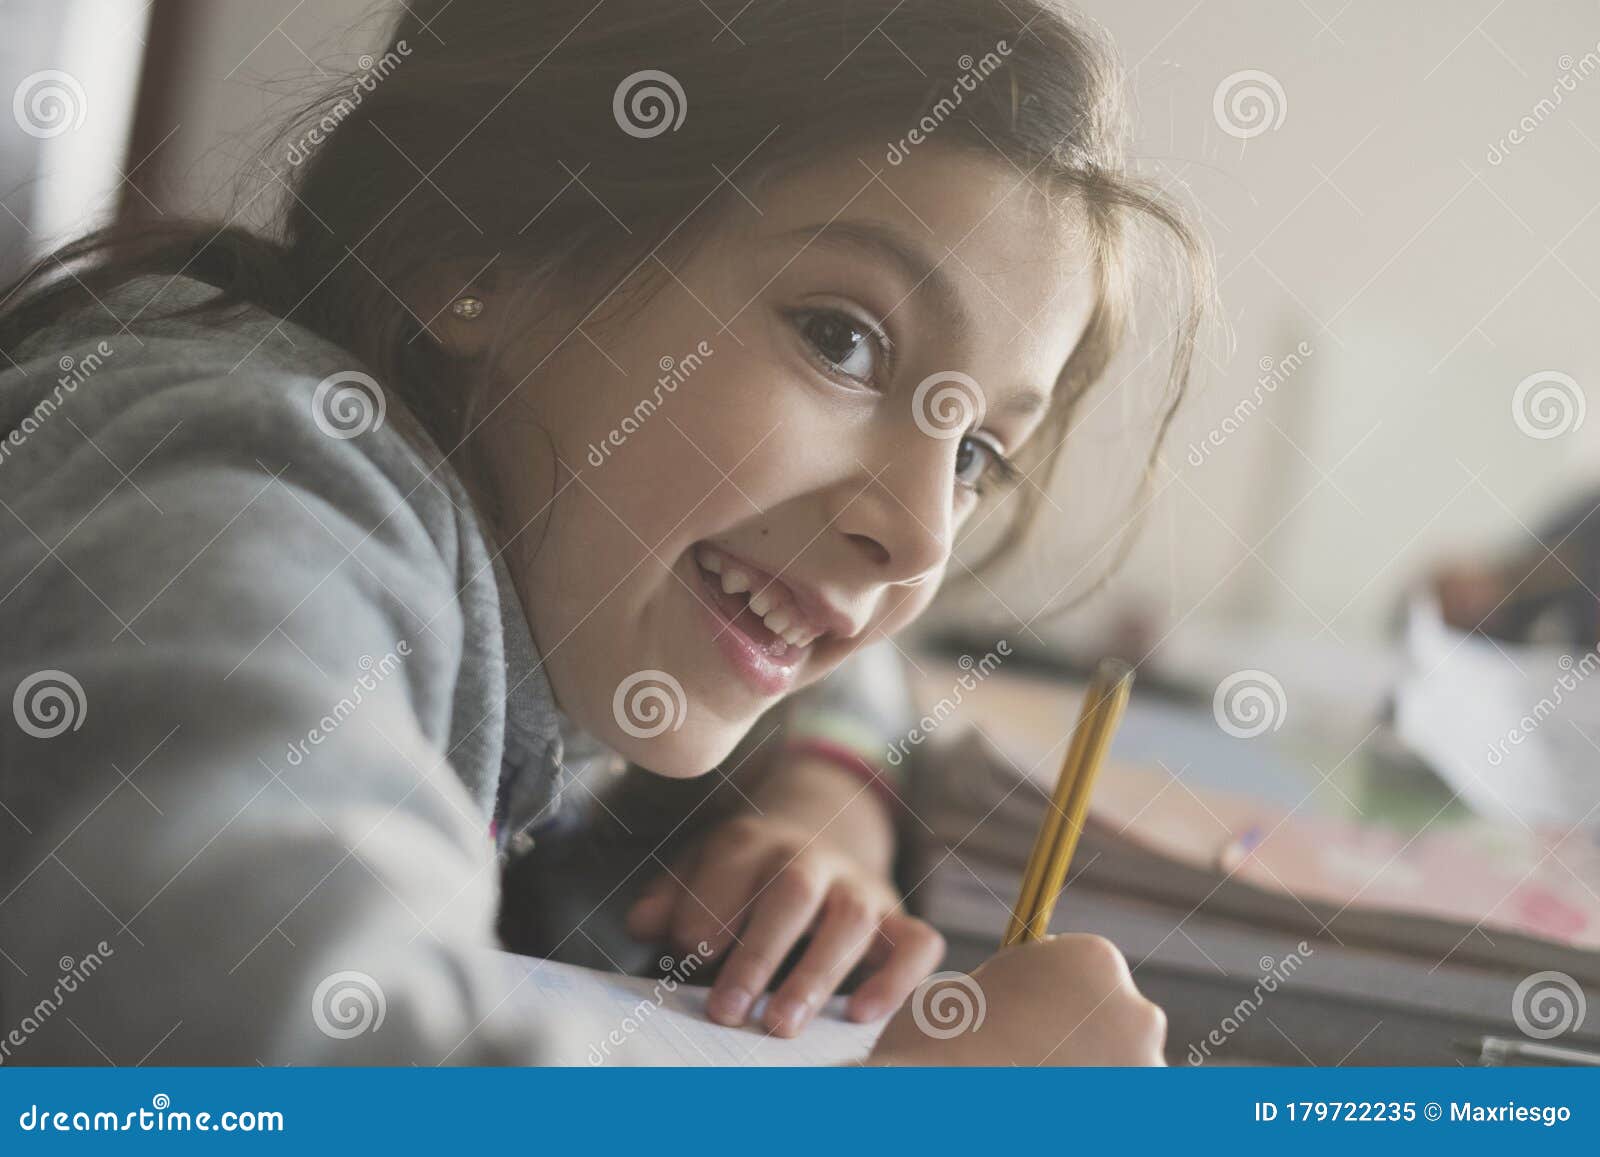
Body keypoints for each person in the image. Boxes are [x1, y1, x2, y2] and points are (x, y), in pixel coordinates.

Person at [0, 0, 1207, 1064]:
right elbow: (256, 1023)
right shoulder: (259, 490)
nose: (917, 533)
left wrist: (822, 794)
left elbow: (865, 669)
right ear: (480, 252)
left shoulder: (581, 544)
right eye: (842, 340)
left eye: (976, 452)